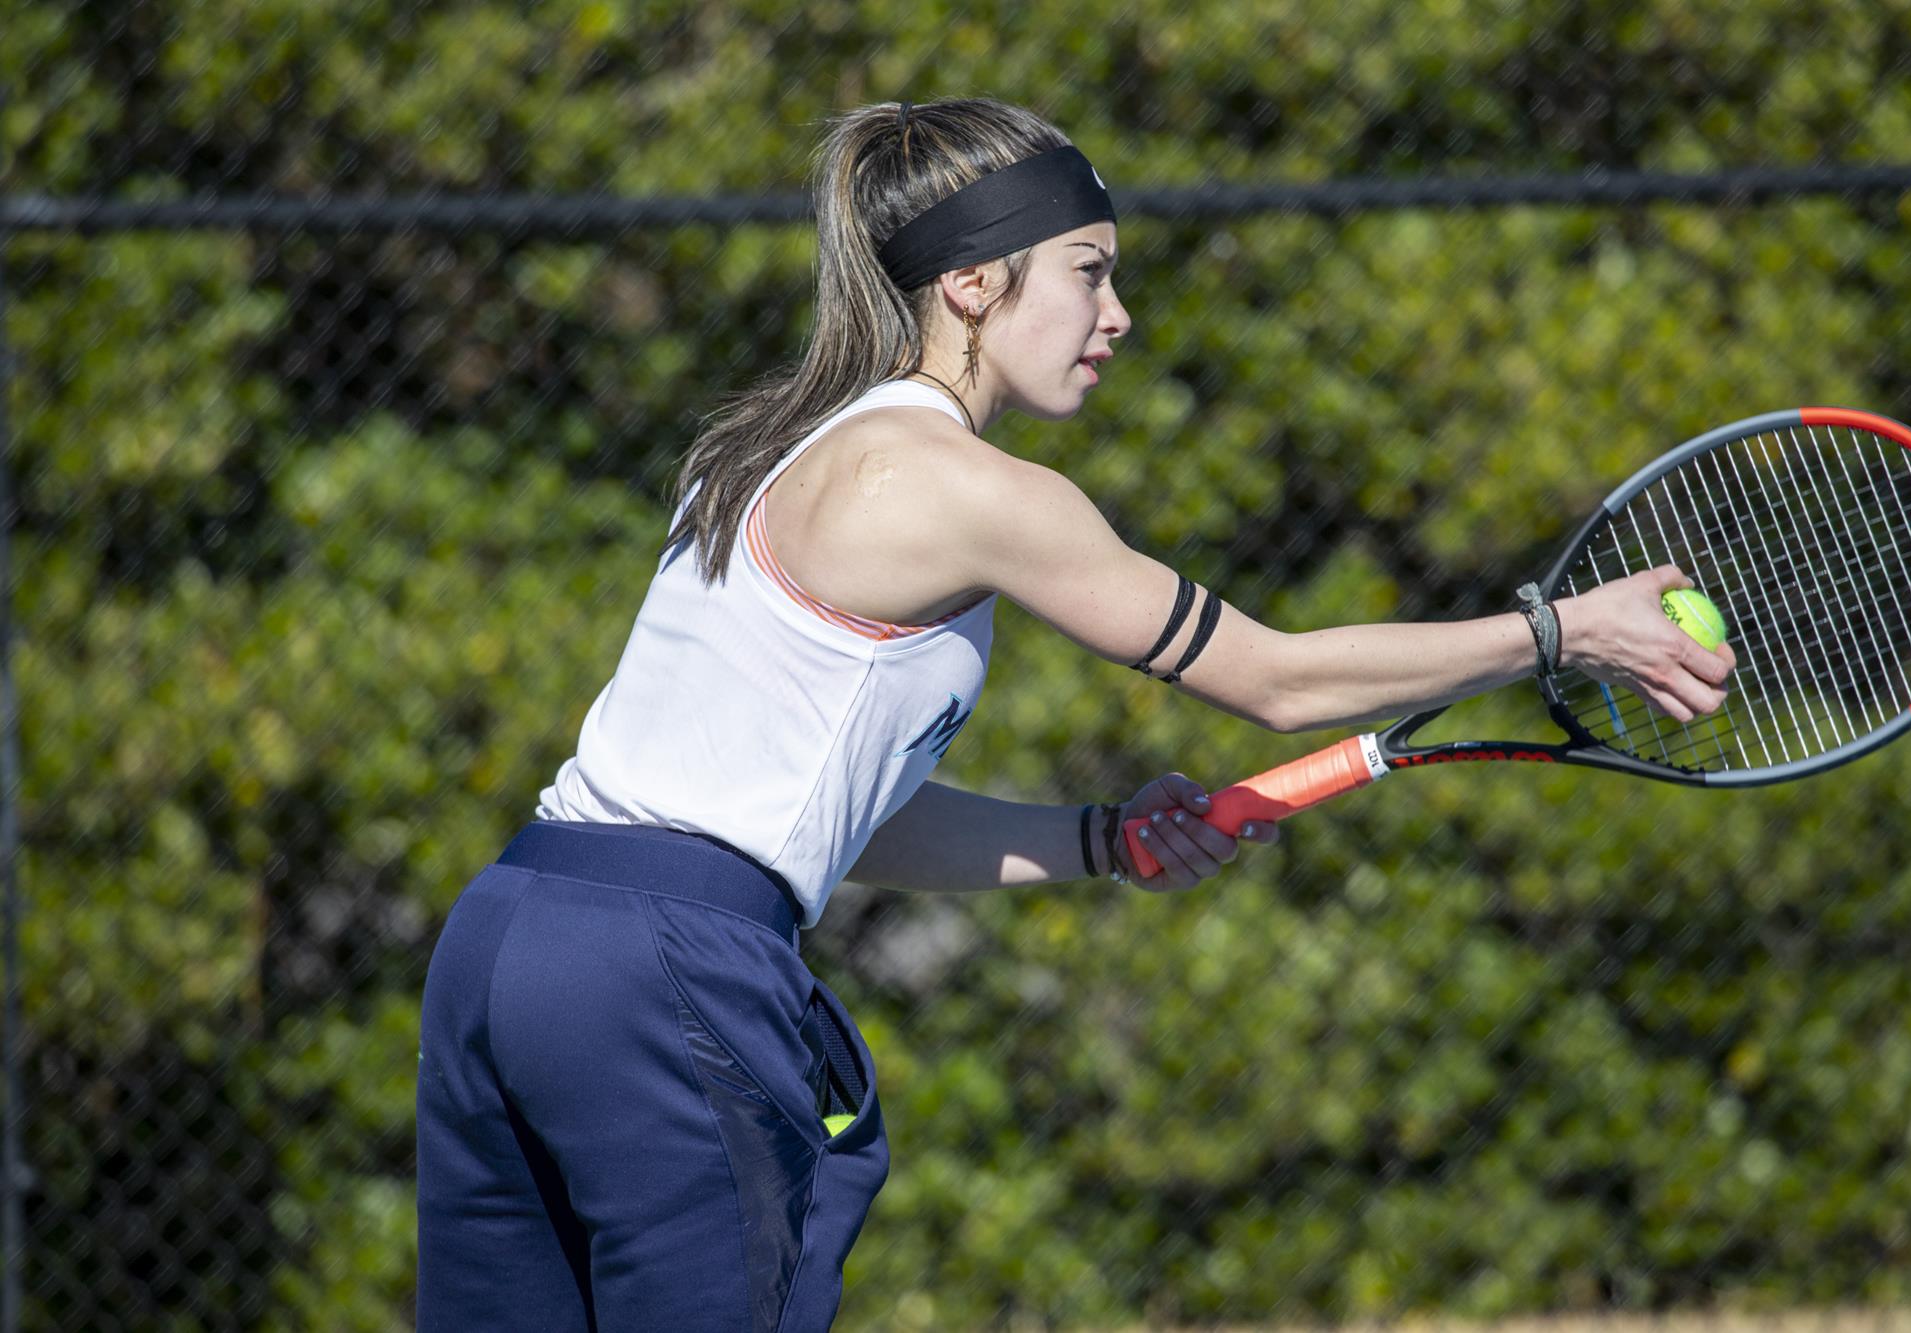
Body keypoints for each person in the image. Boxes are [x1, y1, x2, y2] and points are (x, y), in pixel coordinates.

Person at [414, 97, 1735, 1331]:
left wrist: (1099, 838)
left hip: (508, 941)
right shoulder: (974, 488)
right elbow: (1276, 681)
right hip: (666, 968)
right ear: (974, 283)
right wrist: (1562, 629)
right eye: (1090, 272)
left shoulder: (764, 450)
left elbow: (819, 814)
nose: (1118, 316)